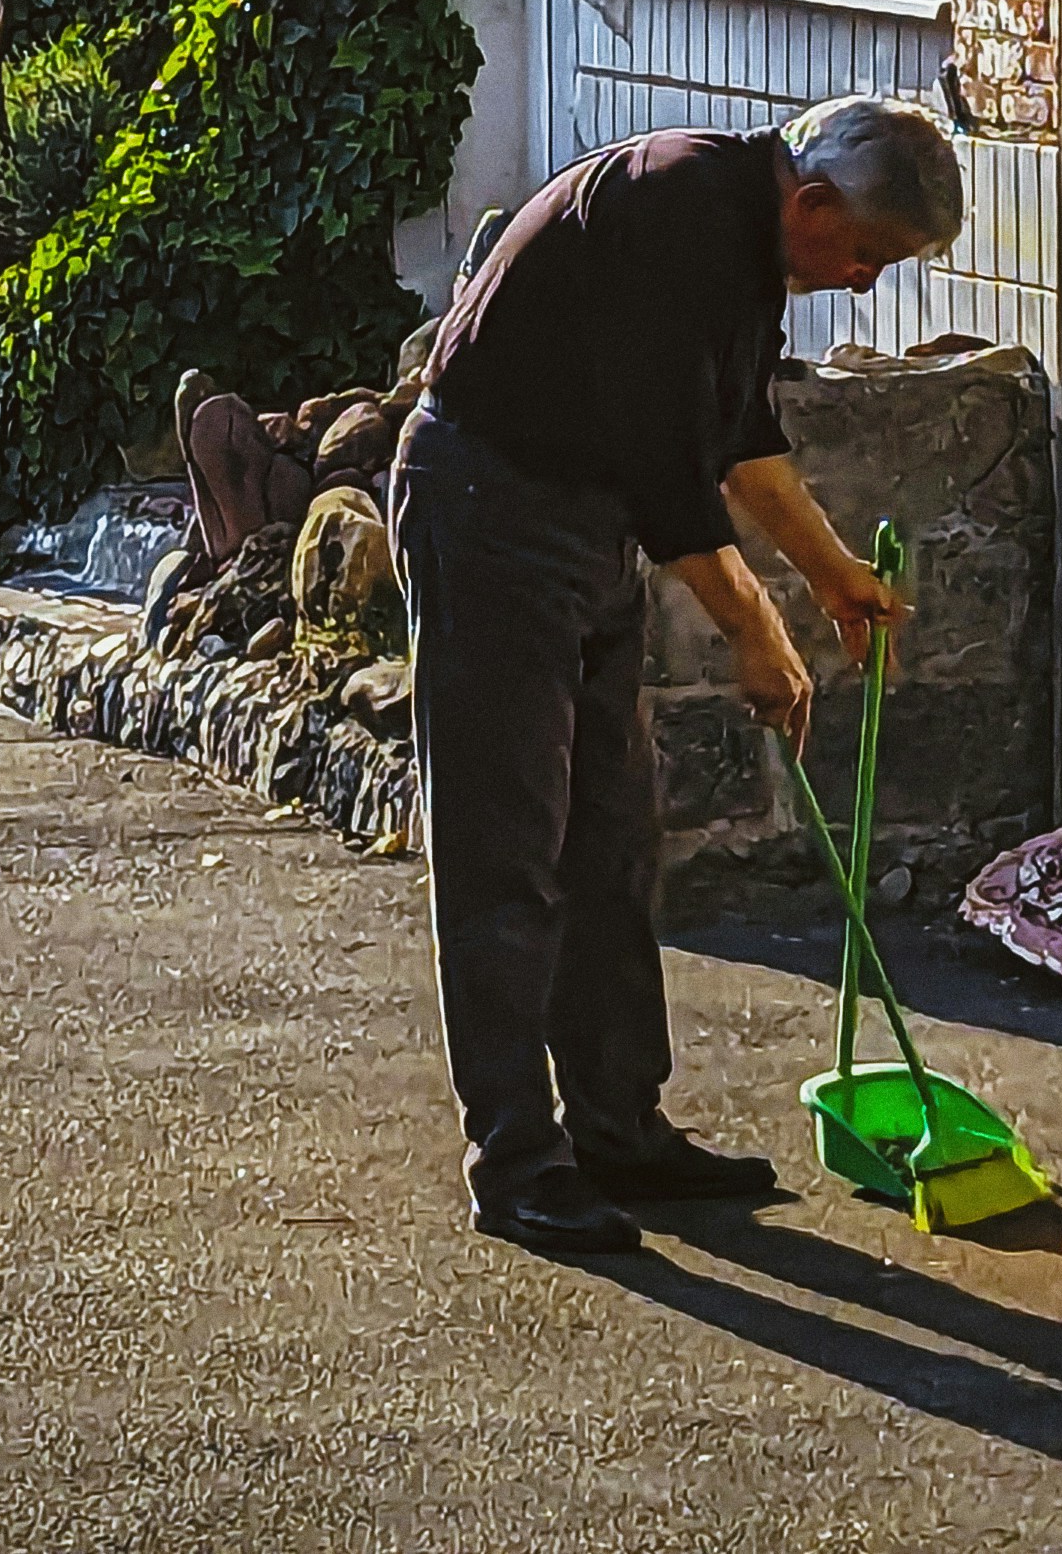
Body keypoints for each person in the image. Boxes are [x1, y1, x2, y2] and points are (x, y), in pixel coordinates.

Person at [389, 94, 965, 1257]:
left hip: (577, 524)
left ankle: (616, 1126)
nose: (860, 283)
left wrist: (835, 574)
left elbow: (737, 437)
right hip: (485, 505)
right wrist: (755, 624)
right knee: (508, 847)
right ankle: (514, 1159)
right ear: (811, 203)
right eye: (864, 254)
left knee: (608, 837)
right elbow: (667, 468)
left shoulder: (746, 240)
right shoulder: (674, 213)